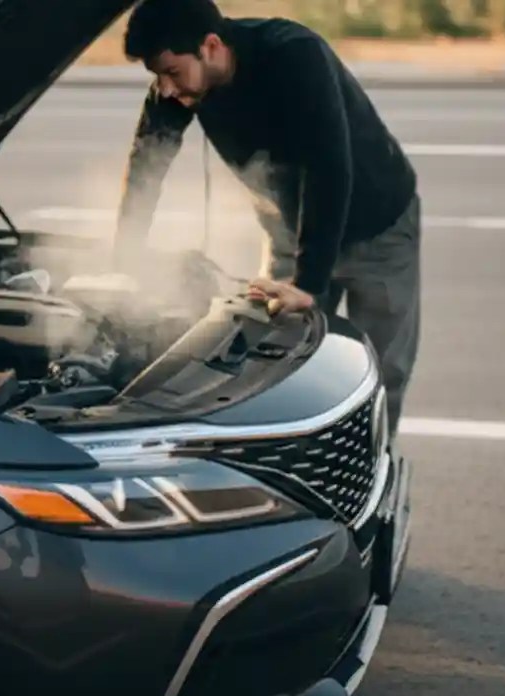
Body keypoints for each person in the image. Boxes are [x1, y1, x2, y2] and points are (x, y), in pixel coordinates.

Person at [111, 0, 421, 433]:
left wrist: (308, 284)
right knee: (274, 373)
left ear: (212, 46)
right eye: (157, 77)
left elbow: (329, 166)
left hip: (379, 226)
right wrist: (123, 259)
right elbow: (148, 162)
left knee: (382, 374)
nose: (165, 88)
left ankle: (369, 480)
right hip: (288, 234)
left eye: (172, 72)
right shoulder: (179, 85)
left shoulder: (294, 55)